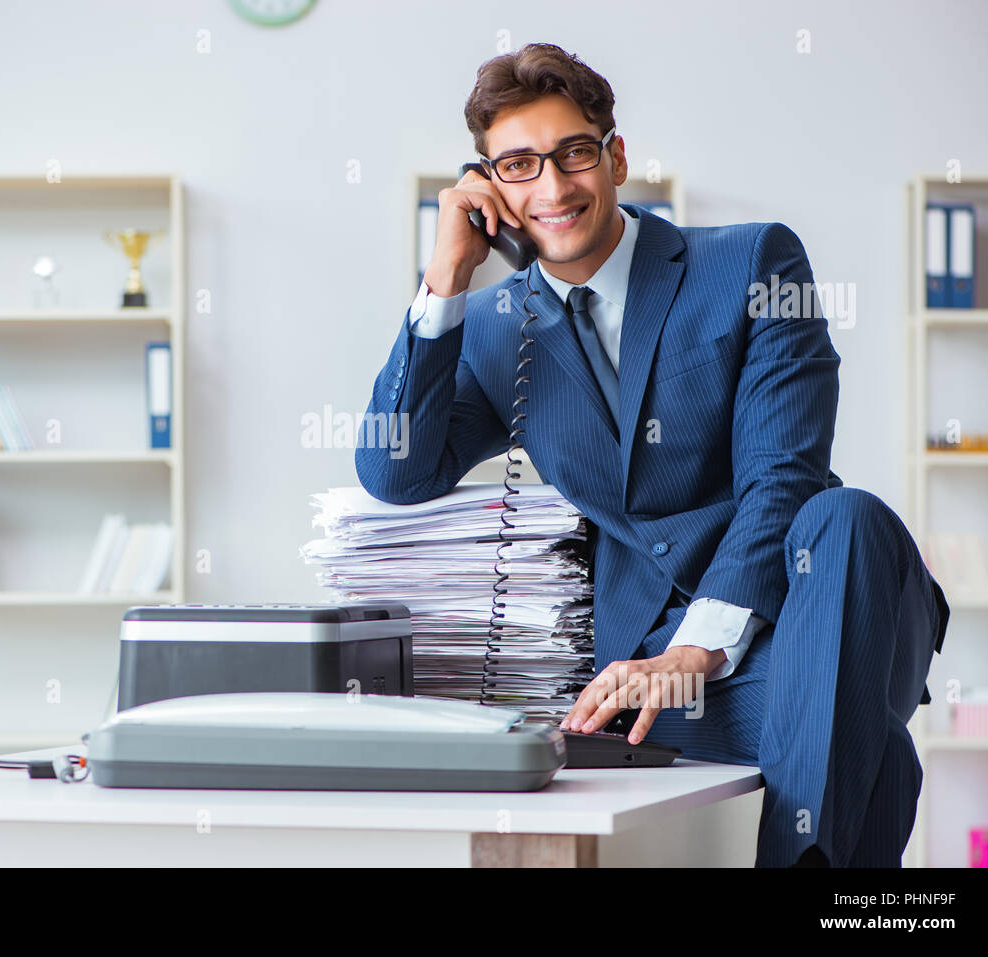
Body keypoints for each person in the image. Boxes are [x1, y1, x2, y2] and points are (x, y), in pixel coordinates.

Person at [354, 42, 948, 868]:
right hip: (649, 666)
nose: (554, 188)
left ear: (615, 156)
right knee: (860, 741)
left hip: (813, 603)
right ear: (488, 187)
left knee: (843, 516)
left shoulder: (753, 260)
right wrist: (444, 278)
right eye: (520, 165)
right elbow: (395, 470)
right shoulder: (493, 327)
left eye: (574, 154)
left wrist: (694, 650)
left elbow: (783, 476)